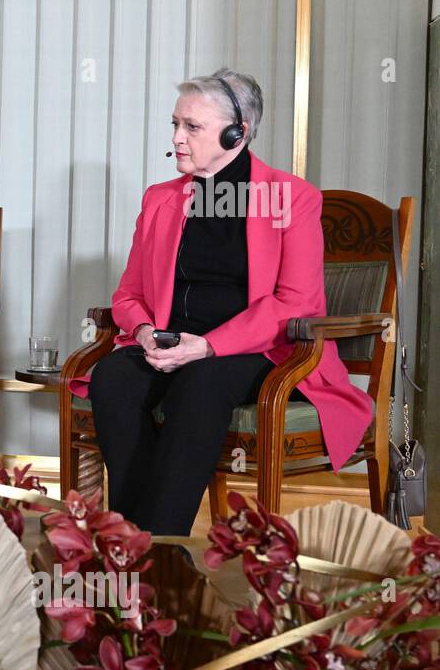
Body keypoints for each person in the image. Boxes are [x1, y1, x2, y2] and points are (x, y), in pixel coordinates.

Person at [70, 68, 372, 535]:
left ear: (237, 133)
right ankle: (134, 545)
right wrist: (148, 333)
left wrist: (205, 346)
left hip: (258, 352)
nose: (177, 138)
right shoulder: (160, 199)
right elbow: (128, 294)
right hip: (170, 344)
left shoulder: (293, 198)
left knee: (202, 380)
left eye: (192, 127)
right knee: (113, 376)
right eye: (175, 124)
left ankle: (158, 552)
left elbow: (295, 303)